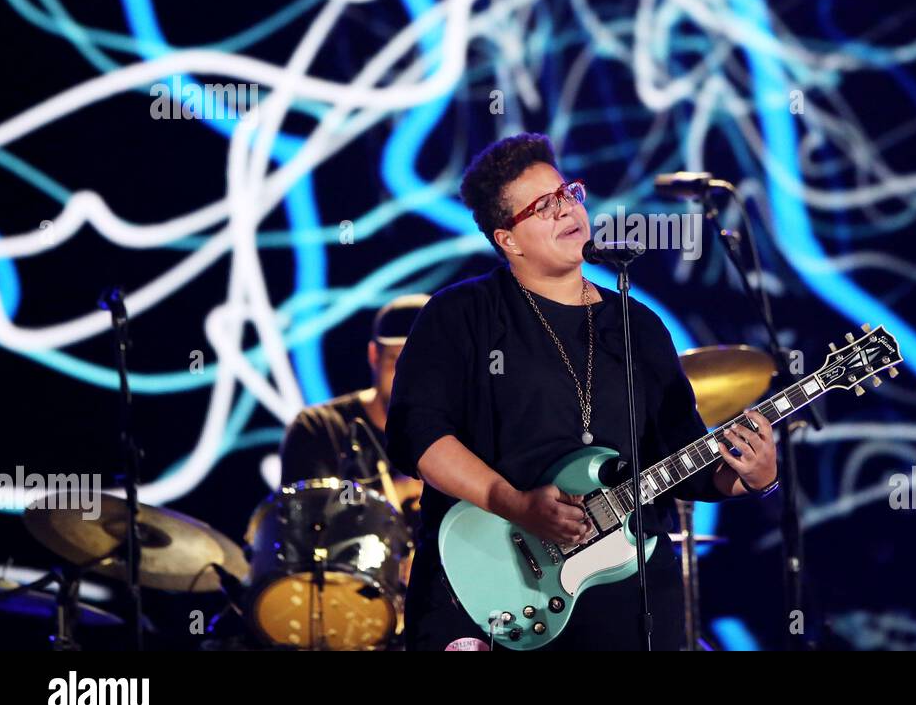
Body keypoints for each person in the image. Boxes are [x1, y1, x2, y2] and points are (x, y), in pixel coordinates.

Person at [385, 133, 779, 651]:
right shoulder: (461, 315)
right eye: (544, 207)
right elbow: (420, 436)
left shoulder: (637, 325)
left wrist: (755, 476)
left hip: (626, 604)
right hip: (490, 591)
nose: (567, 209)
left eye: (568, 193)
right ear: (509, 239)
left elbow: (682, 454)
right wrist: (517, 504)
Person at [279, 295, 428, 513]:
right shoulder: (320, 428)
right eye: (396, 361)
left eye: (424, 364)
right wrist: (399, 491)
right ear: (373, 355)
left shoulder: (466, 431)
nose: (409, 378)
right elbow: (308, 523)